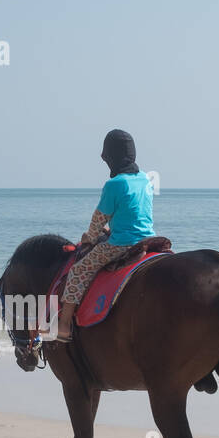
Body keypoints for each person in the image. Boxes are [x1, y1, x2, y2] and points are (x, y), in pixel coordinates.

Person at [56, 129, 155, 341]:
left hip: (122, 244)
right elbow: (133, 213)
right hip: (147, 239)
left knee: (78, 270)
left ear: (111, 157)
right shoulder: (144, 179)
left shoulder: (114, 184)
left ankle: (63, 326)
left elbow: (99, 219)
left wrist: (89, 238)